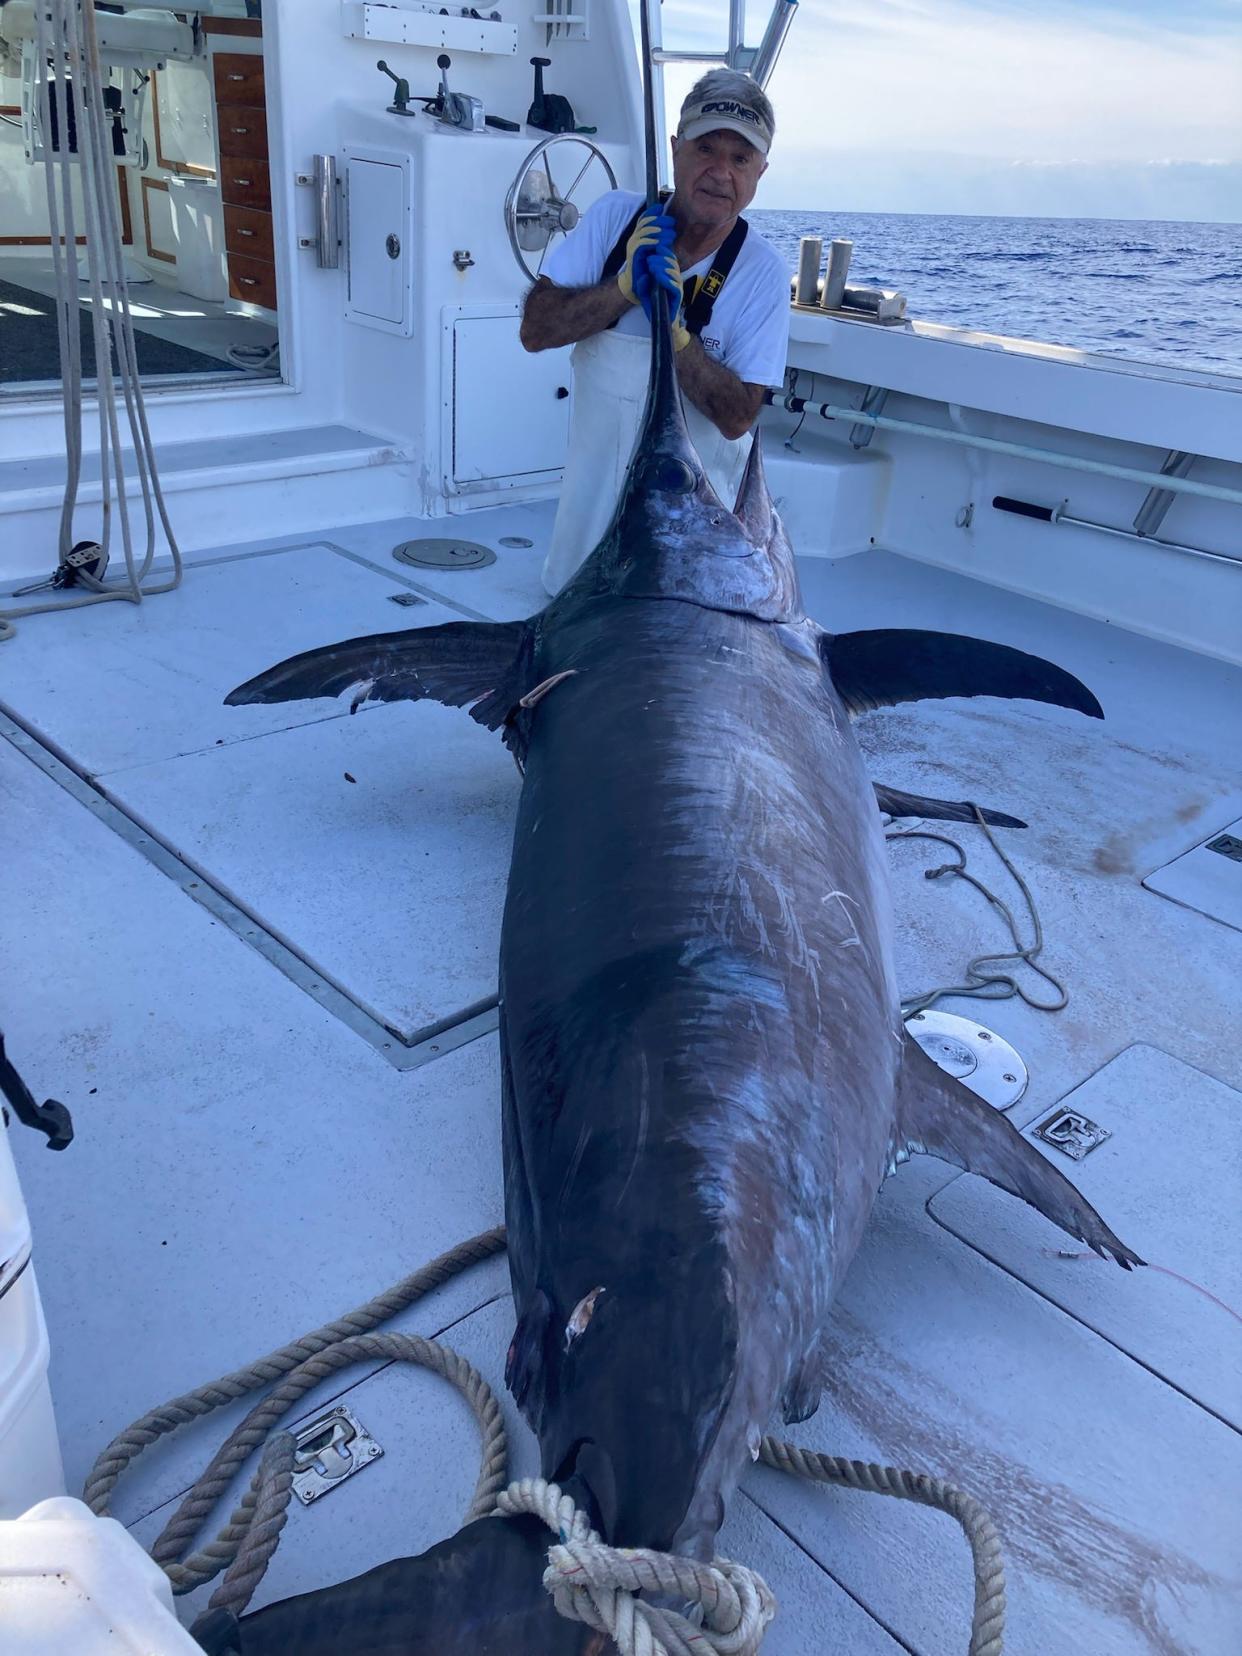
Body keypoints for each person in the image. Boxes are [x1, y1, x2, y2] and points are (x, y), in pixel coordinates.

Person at [520, 69, 790, 594]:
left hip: (695, 571)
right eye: (706, 148)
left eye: (740, 159)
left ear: (760, 171)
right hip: (584, 554)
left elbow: (737, 418)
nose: (720, 172)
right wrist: (620, 289)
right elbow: (535, 331)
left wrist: (677, 334)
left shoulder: (763, 273)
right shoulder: (616, 220)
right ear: (675, 149)